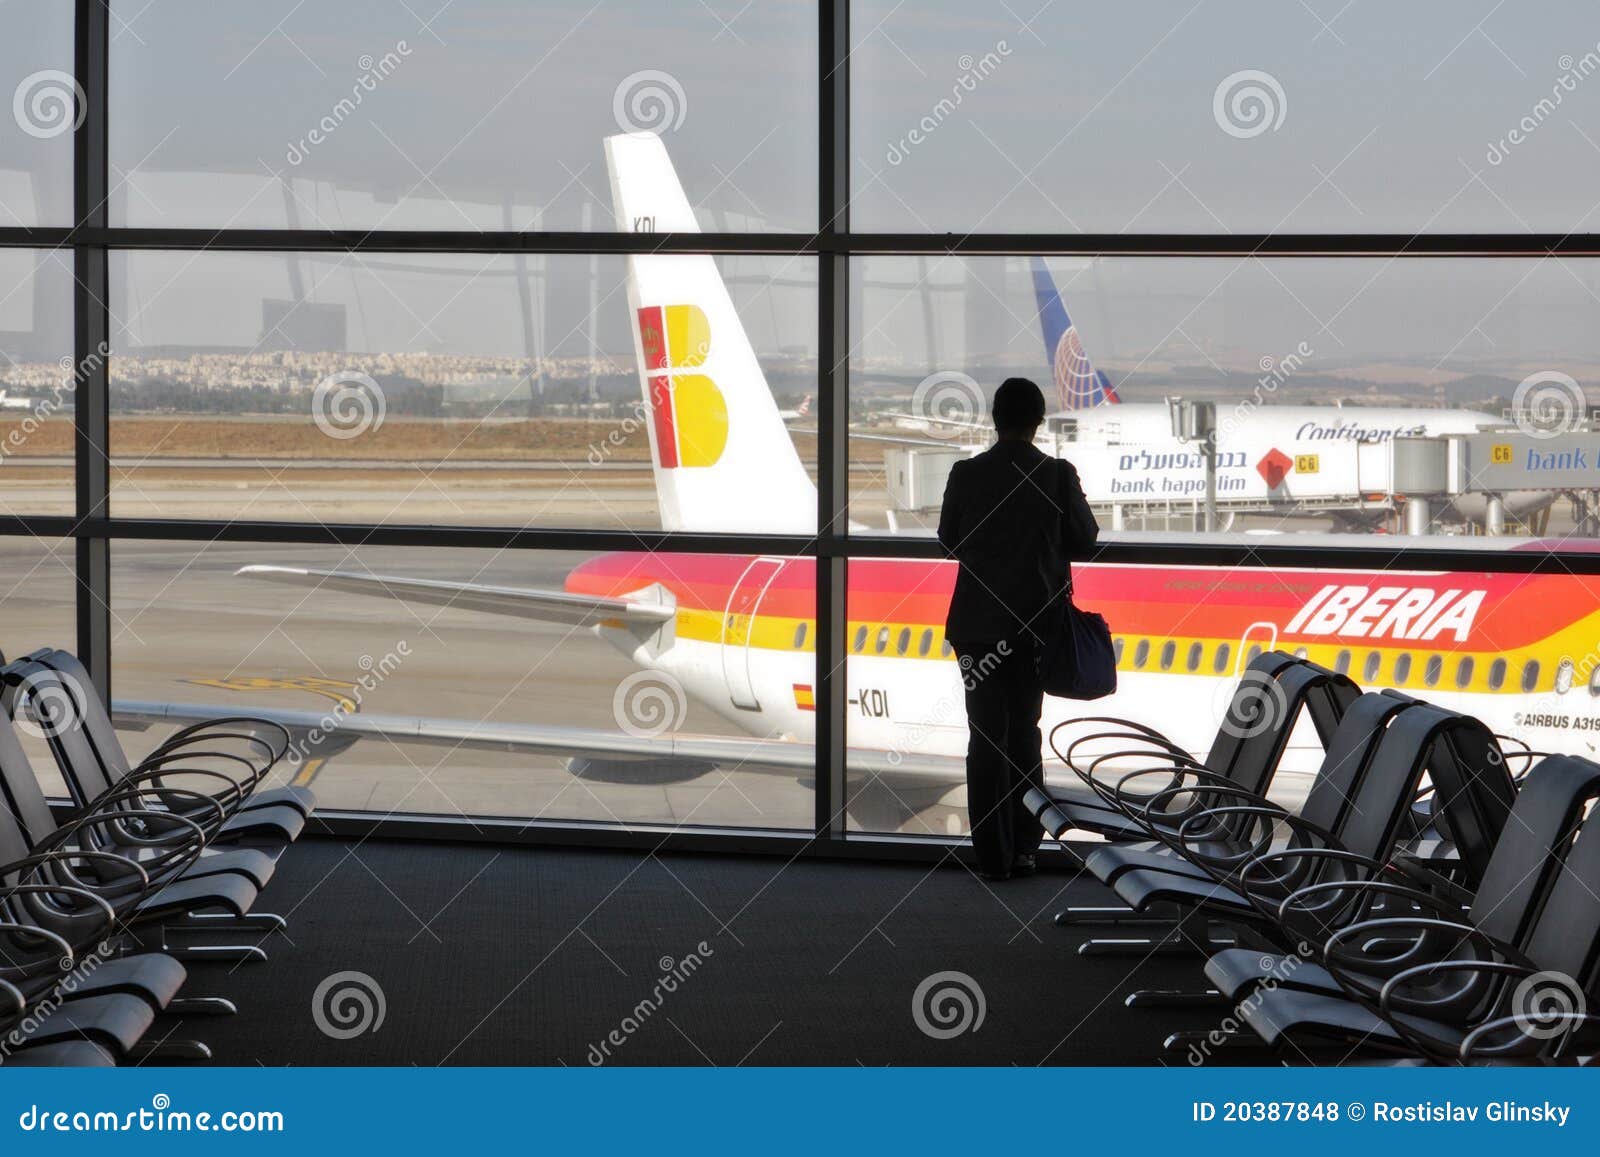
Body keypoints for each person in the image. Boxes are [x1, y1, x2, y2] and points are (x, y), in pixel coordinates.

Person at [936, 378, 1099, 881]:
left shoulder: (966, 473)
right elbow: (1085, 538)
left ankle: (992, 855)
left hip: (977, 628)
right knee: (1025, 733)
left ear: (994, 418)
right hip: (1034, 628)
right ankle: (1027, 846)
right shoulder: (1054, 475)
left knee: (985, 737)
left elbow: (949, 540)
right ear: (1038, 422)